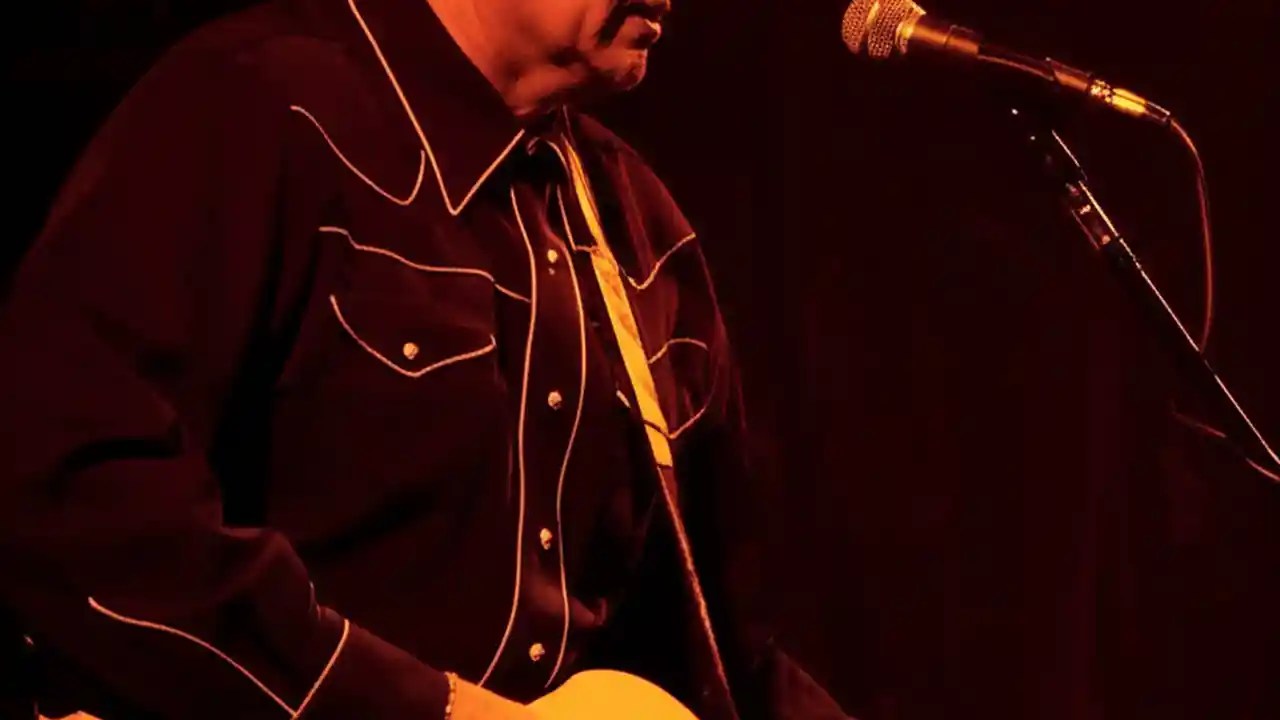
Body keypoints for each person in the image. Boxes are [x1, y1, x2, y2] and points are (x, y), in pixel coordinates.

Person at [0, 0, 847, 718]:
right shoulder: (260, 103)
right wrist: (423, 707)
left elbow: (727, 649)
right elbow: (72, 496)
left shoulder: (642, 234)